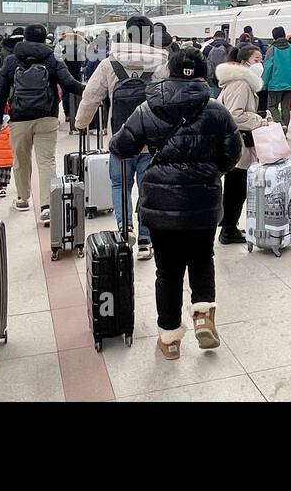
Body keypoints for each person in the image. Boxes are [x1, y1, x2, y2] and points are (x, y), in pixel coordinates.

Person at [109, 48, 241, 360]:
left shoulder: (147, 108)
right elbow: (232, 155)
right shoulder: (217, 111)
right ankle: (203, 317)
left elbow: (121, 146)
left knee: (167, 272)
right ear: (203, 74)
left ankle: (169, 339)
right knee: (201, 259)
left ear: (168, 72)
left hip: (159, 204)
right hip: (203, 203)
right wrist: (210, 173)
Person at [75, 15, 169, 259]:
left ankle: (124, 227)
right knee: (149, 188)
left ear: (127, 34)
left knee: (119, 185)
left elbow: (91, 96)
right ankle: (146, 241)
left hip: (121, 138)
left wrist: (81, 123)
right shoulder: (162, 63)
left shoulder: (109, 63)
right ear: (150, 36)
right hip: (153, 140)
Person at [0, 24, 85, 222]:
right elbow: (69, 84)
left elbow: (0, 92)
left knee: (20, 160)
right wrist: (91, 91)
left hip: (19, 118)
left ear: (24, 38)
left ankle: (23, 199)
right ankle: (47, 206)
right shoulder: (52, 59)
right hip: (47, 117)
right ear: (45, 40)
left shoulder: (11, 60)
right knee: (46, 161)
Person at [215, 45, 270, 245]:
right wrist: (259, 120)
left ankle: (229, 226)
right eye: (257, 60)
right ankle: (228, 229)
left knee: (235, 186)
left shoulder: (237, 81)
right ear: (245, 62)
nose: (260, 64)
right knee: (236, 188)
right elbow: (234, 115)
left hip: (235, 143)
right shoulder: (241, 83)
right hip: (237, 145)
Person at [261, 26, 291, 133]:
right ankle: (285, 126)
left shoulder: (272, 49)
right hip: (288, 84)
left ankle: (280, 125)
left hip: (274, 83)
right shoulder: (290, 48)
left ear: (273, 36)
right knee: (286, 107)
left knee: (272, 106)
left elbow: (268, 67)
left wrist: (263, 84)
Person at [57, 28, 88, 132]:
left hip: (65, 75)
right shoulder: (79, 50)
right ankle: (76, 113)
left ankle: (68, 114)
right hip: (76, 75)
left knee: (66, 94)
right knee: (77, 94)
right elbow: (83, 61)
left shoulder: (64, 51)